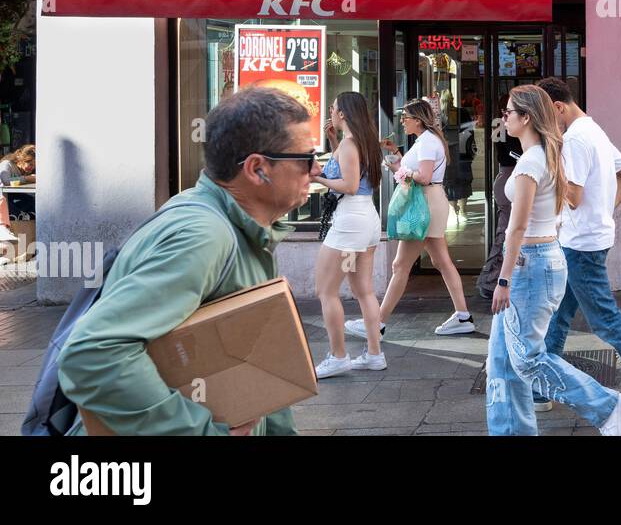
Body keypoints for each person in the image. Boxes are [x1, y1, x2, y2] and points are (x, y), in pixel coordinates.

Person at [57, 88, 315, 434]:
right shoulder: (204, 236)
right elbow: (92, 354)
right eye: (306, 159)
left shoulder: (245, 230)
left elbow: (260, 376)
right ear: (257, 169)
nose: (315, 171)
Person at [487, 84, 621, 435]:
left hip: (528, 264)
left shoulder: (532, 161)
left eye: (508, 113)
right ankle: (511, 431)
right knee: (502, 362)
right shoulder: (542, 155)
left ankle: (605, 405)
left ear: (526, 117)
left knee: (528, 359)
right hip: (538, 260)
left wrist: (503, 280)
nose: (504, 118)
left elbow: (516, 229)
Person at [532, 77, 621, 422]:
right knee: (558, 314)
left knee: (605, 320)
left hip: (580, 245)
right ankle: (541, 387)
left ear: (558, 107)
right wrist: (605, 210)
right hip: (587, 239)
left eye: (546, 114)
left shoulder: (573, 139)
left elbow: (574, 198)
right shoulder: (594, 130)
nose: (544, 122)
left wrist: (548, 163)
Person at [345, 98, 474, 340]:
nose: (402, 121)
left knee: (400, 265)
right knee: (441, 261)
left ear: (418, 120)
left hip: (423, 202)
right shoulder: (428, 140)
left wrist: (399, 170)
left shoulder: (426, 142)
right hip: (430, 200)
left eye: (405, 117)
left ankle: (376, 324)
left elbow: (423, 177)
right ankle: (463, 315)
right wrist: (396, 153)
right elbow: (418, 171)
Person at [313, 92, 387, 379]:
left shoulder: (349, 144)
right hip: (366, 220)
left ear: (342, 113)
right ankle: (373, 354)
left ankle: (338, 356)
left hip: (349, 223)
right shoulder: (363, 141)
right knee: (363, 290)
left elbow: (350, 184)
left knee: (326, 291)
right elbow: (351, 174)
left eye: (332, 109)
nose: (330, 113)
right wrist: (333, 141)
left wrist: (316, 179)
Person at [477, 96, 523, 300]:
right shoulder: (507, 126)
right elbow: (509, 153)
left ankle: (495, 278)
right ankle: (490, 280)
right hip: (510, 177)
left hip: (505, 177)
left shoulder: (498, 125)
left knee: (506, 231)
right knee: (505, 232)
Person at [0, 143, 35, 243]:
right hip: (3, 199)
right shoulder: (7, 164)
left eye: (34, 166)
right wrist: (27, 178)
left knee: (31, 202)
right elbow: (5, 180)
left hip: (10, 197)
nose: (31, 168)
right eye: (30, 163)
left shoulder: (22, 170)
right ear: (21, 159)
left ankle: (29, 237)